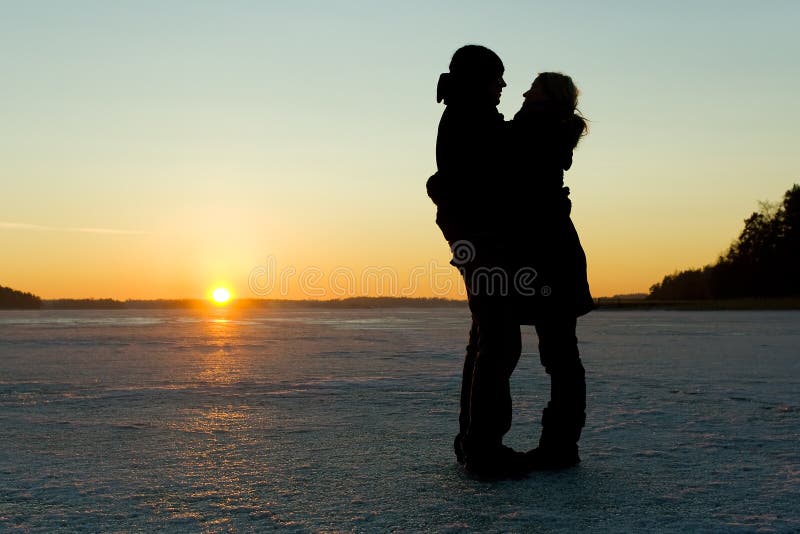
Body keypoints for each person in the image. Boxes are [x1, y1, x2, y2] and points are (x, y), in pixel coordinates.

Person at [427, 45, 529, 477]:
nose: (503, 85)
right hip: (483, 242)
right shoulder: (469, 117)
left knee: (488, 338)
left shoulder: (468, 114)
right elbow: (498, 167)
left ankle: (475, 441)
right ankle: (483, 449)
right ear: (478, 80)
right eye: (496, 77)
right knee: (500, 341)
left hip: (479, 239)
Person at [505, 72, 593, 469]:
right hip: (551, 252)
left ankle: (559, 446)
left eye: (533, 88)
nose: (524, 93)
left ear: (547, 96)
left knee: (559, 355)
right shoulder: (546, 130)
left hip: (546, 256)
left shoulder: (533, 129)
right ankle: (561, 444)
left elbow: (505, 153)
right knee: (561, 354)